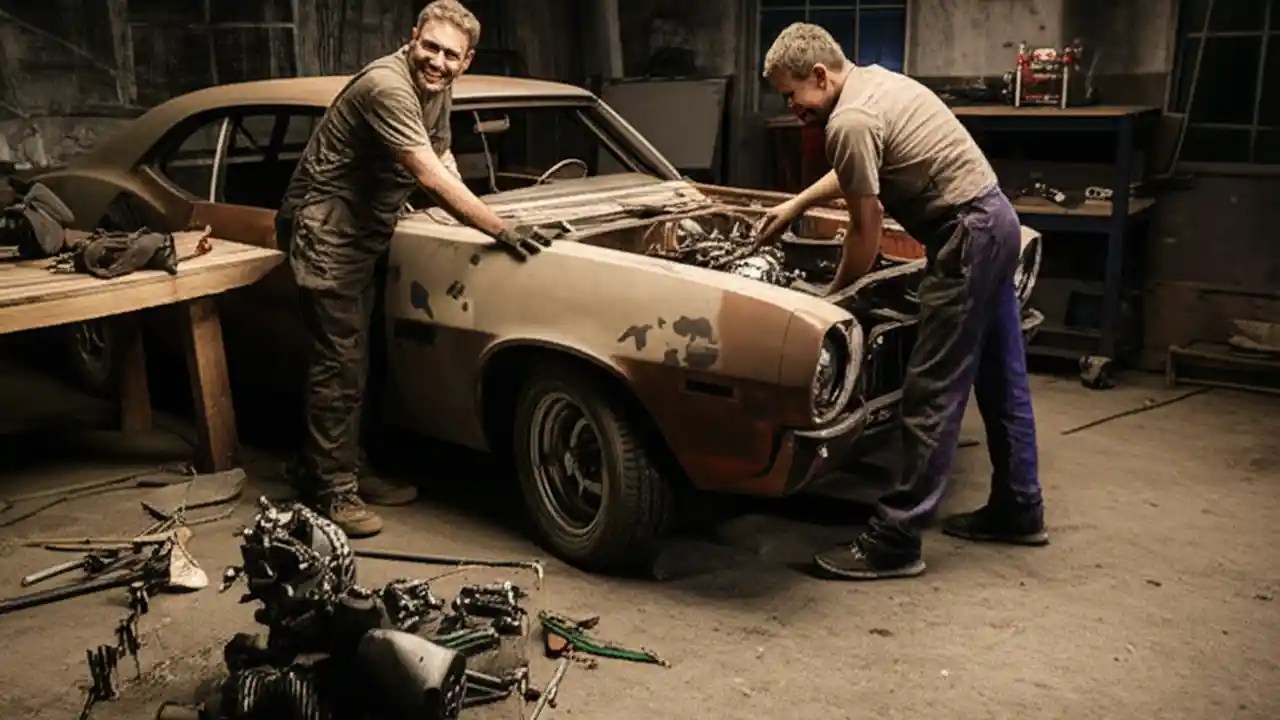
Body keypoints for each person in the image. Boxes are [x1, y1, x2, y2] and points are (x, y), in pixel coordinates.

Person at [753, 23, 1047, 580]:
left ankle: (895, 539)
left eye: (791, 94)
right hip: (995, 223)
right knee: (1001, 378)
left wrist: (832, 296)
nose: (791, 106)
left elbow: (865, 229)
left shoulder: (851, 118)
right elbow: (857, 166)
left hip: (965, 237)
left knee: (931, 392)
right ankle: (1019, 507)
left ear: (819, 75)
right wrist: (794, 206)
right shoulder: (875, 85)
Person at [278, 0, 550, 538]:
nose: (438, 61)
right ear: (411, 38)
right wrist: (499, 229)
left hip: (367, 233)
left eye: (451, 54)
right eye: (430, 47)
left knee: (368, 361)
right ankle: (329, 490)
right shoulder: (387, 86)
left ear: (466, 60)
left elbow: (442, 159)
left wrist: (487, 213)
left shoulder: (437, 88)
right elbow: (427, 175)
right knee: (341, 364)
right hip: (326, 231)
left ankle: (344, 466)